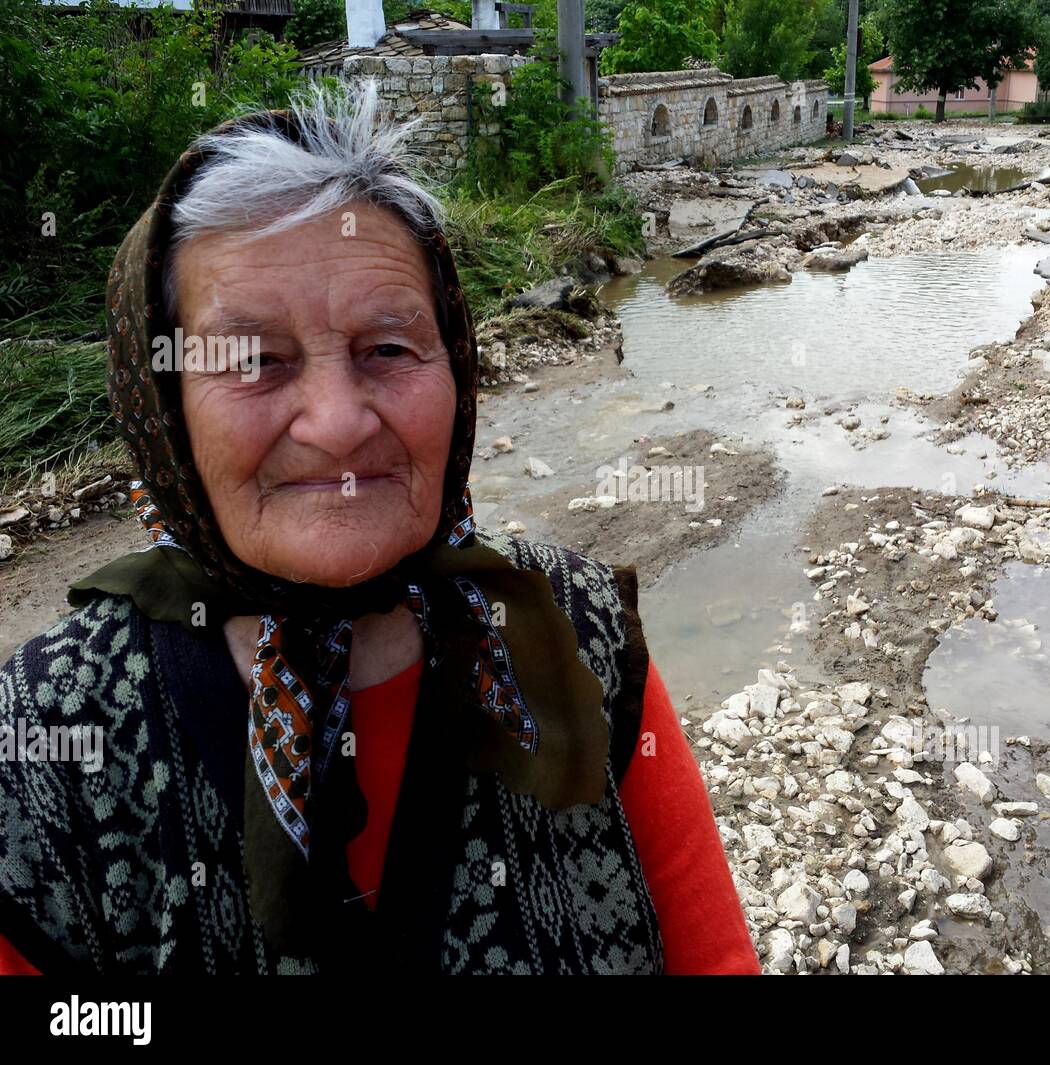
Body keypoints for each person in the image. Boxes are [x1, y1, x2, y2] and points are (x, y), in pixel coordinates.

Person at [0, 83, 759, 975]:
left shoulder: (571, 629)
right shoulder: (45, 732)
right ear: (165, 410)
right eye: (253, 360)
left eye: (388, 348)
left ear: (458, 367)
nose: (337, 421)